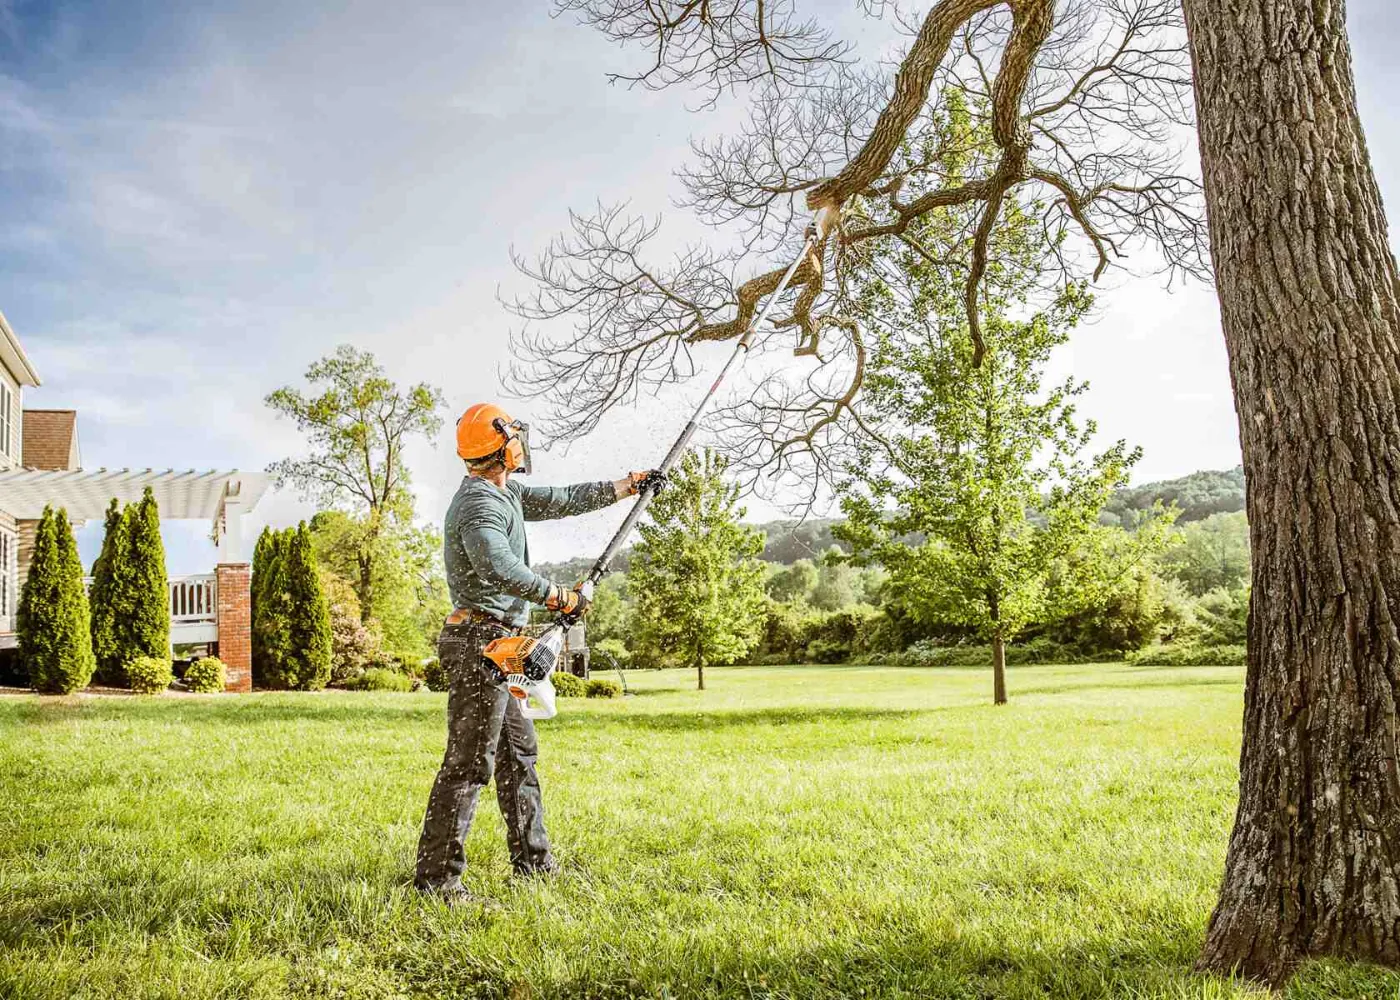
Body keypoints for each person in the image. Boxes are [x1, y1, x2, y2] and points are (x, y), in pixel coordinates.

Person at [414, 402, 663, 904]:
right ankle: (437, 881)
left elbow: (565, 497)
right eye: (516, 437)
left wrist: (628, 485)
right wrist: (558, 596)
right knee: (468, 764)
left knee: (518, 757)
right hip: (479, 645)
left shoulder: (506, 492)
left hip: (502, 645)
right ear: (502, 446)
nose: (523, 443)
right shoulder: (478, 505)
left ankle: (533, 862)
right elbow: (498, 566)